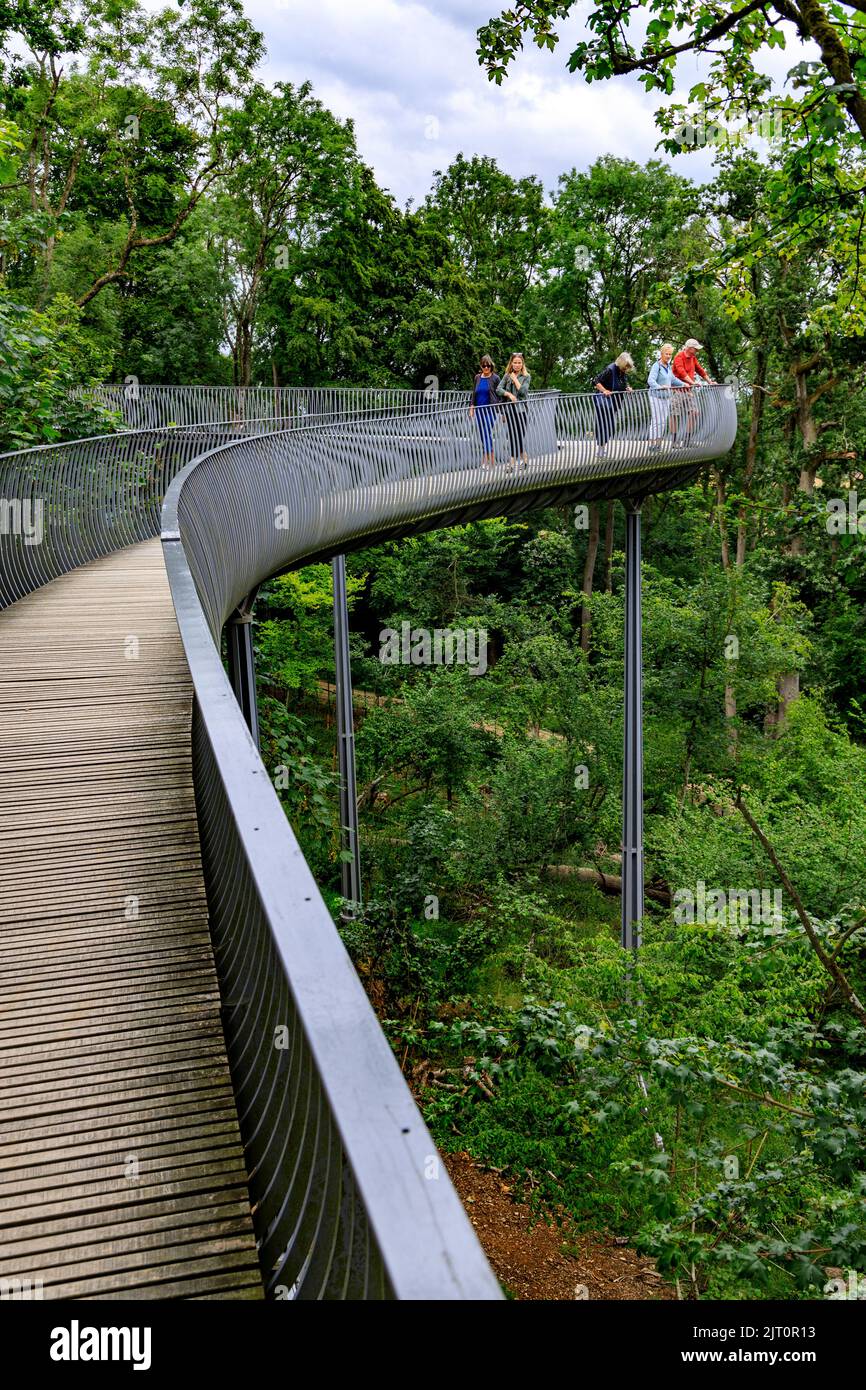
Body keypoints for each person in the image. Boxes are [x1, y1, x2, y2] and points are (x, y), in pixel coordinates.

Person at [671, 338, 716, 447]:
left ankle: (687, 440)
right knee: (675, 415)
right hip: (677, 390)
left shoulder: (693, 358)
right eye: (696, 349)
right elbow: (681, 372)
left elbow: (700, 370)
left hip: (688, 391)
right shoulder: (679, 357)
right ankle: (674, 441)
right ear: (690, 348)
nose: (697, 351)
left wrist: (710, 381)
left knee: (694, 412)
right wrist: (692, 382)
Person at [593, 352, 635, 458]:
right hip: (603, 403)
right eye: (625, 368)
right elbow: (595, 381)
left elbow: (623, 383)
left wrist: (628, 388)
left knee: (610, 426)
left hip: (613, 403)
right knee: (603, 425)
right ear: (621, 364)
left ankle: (602, 448)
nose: (626, 370)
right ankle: (600, 450)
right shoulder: (610, 370)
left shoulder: (622, 372)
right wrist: (604, 390)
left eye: (627, 369)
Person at [647, 343, 688, 448]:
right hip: (656, 396)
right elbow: (650, 380)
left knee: (663, 421)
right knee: (656, 420)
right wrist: (660, 387)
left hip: (666, 397)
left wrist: (683, 384)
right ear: (661, 353)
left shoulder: (669, 366)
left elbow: (673, 380)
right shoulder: (656, 366)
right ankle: (652, 444)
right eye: (667, 354)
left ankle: (658, 443)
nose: (669, 356)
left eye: (670, 354)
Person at [497, 352, 531, 471]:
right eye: (515, 362)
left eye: (519, 363)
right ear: (511, 363)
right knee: (512, 436)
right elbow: (498, 389)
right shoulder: (507, 375)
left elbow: (522, 392)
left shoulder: (526, 376)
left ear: (522, 364)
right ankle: (512, 464)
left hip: (522, 411)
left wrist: (515, 379)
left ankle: (523, 460)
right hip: (510, 411)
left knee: (520, 436)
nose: (517, 365)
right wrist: (509, 394)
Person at [469, 354, 500, 468]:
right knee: (483, 435)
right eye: (484, 366)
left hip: (490, 410)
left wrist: (503, 412)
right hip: (479, 411)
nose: (486, 368)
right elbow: (474, 393)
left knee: (487, 431)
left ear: (491, 366)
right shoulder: (477, 377)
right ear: (481, 366)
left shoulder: (495, 378)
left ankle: (486, 460)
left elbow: (500, 394)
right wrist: (471, 407)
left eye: (488, 366)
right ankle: (491, 459)